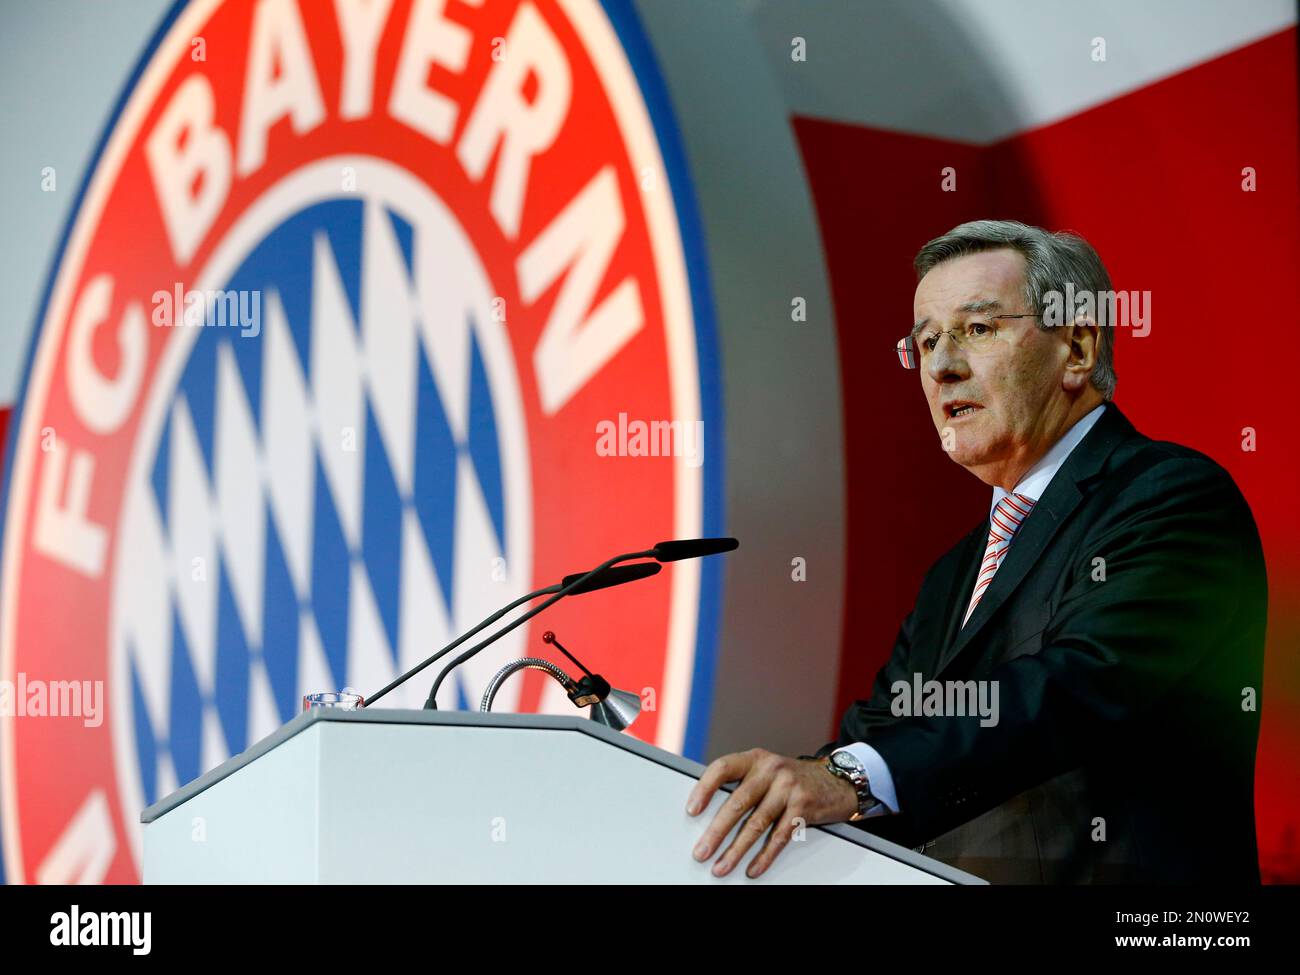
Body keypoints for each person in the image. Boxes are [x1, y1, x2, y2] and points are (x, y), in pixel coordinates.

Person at [686, 220, 1266, 883]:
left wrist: (850, 775)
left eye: (977, 330)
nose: (941, 366)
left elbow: (1072, 690)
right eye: (926, 341)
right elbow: (887, 732)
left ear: (1076, 345)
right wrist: (758, 801)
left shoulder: (1169, 496)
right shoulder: (952, 575)